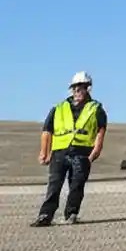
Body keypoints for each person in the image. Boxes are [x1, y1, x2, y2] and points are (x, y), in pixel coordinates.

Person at [30, 71, 107, 226]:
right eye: (75, 87)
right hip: (59, 152)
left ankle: (71, 214)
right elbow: (47, 131)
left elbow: (100, 131)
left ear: (88, 88)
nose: (77, 91)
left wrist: (95, 151)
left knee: (77, 185)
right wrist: (44, 152)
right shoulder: (58, 108)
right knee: (54, 185)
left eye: (81, 87)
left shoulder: (96, 109)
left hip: (82, 152)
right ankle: (45, 215)